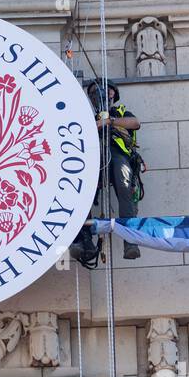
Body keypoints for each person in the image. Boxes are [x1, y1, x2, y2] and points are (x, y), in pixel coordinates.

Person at [71, 78, 144, 266]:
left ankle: (130, 240)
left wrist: (109, 122)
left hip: (117, 154)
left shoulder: (120, 113)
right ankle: (82, 239)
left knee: (124, 183)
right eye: (94, 92)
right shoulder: (85, 116)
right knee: (79, 190)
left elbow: (135, 123)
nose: (99, 94)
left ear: (112, 94)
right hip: (93, 159)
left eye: (103, 91)